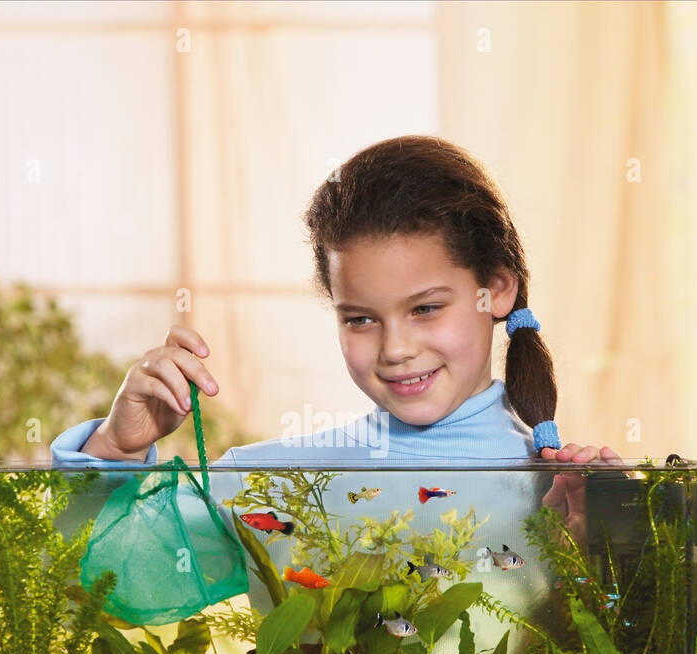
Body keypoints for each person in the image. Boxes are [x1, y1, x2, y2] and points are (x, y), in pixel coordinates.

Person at [51, 136, 623, 543]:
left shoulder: (559, 489)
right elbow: (96, 572)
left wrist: (612, 546)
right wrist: (115, 450)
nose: (395, 348)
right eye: (360, 319)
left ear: (496, 289)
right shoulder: (276, 485)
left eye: (425, 308)